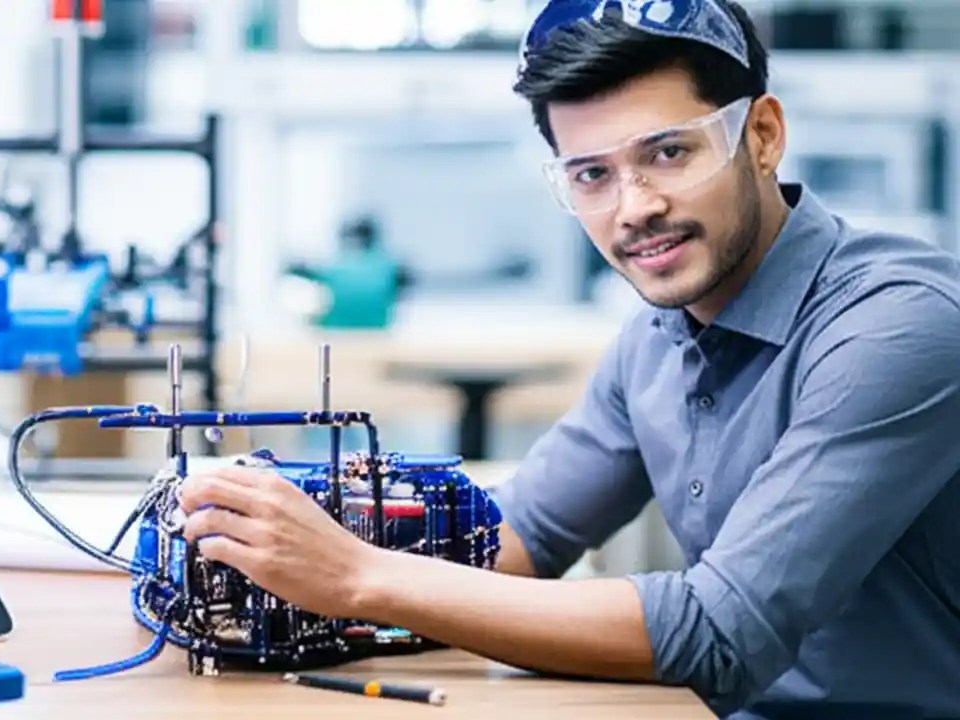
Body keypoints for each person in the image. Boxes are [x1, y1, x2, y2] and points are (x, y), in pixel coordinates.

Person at [177, 1, 960, 717]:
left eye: (669, 153)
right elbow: (519, 538)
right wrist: (285, 538)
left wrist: (356, 574)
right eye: (592, 174)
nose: (635, 207)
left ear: (762, 136)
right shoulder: (658, 336)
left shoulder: (898, 324)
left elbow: (722, 628)